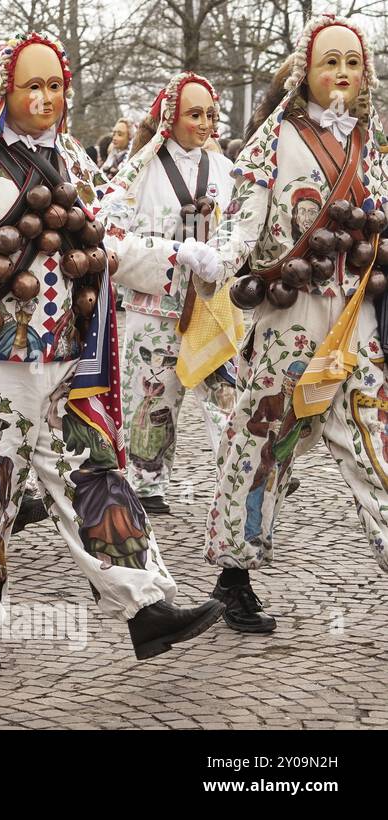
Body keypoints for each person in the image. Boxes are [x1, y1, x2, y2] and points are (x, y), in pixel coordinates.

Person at [0, 32, 225, 672]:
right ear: (2, 91)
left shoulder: (72, 160)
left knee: (96, 474)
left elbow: (107, 241)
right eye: (30, 85)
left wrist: (173, 256)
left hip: (64, 358)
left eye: (54, 86)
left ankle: (147, 605)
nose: (44, 98)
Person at [178, 14, 388, 633]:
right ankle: (234, 575)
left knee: (379, 447)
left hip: (357, 322)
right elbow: (245, 218)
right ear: (307, 72)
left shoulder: (371, 145)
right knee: (263, 446)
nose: (342, 75)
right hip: (290, 322)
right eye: (331, 63)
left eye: (352, 62)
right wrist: (219, 255)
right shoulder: (276, 138)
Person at [97, 73, 239, 515]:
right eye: (194, 114)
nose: (205, 124)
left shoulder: (224, 170)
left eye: (210, 115)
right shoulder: (137, 170)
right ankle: (146, 481)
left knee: (228, 398)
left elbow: (243, 225)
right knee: (150, 396)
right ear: (169, 117)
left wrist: (224, 255)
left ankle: (241, 474)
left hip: (213, 307)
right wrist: (175, 252)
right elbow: (110, 239)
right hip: (155, 307)